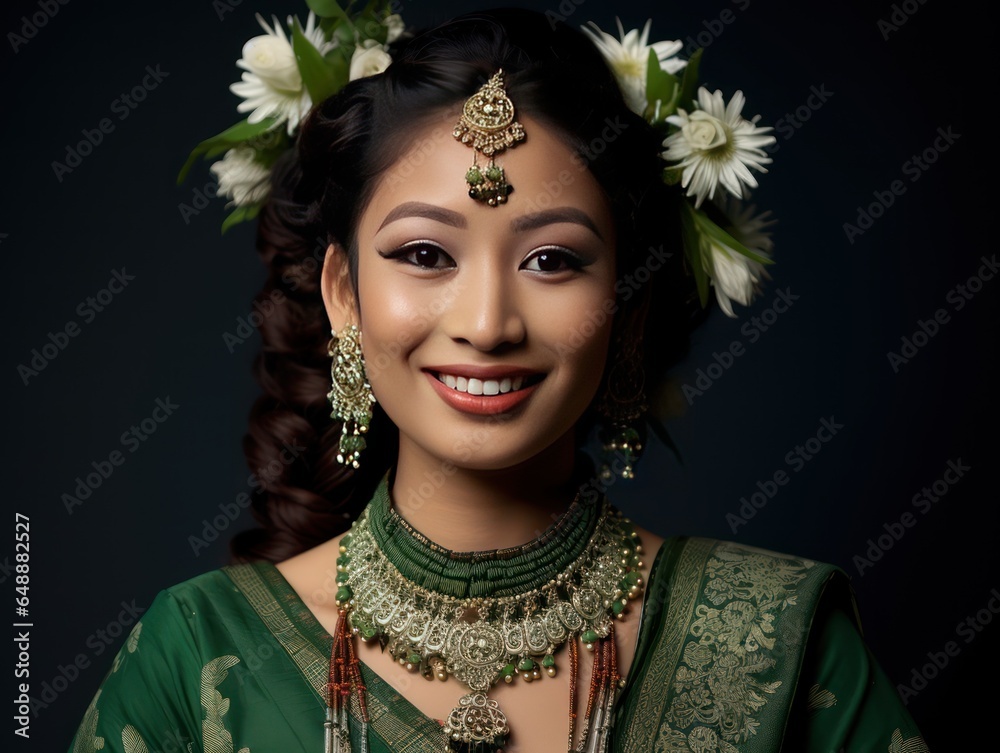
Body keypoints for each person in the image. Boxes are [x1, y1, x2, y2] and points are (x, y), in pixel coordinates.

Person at [67, 5, 930, 752]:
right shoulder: (193, 649)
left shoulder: (776, 639)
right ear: (345, 295)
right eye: (424, 254)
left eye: (552, 259)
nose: (487, 324)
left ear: (626, 305)